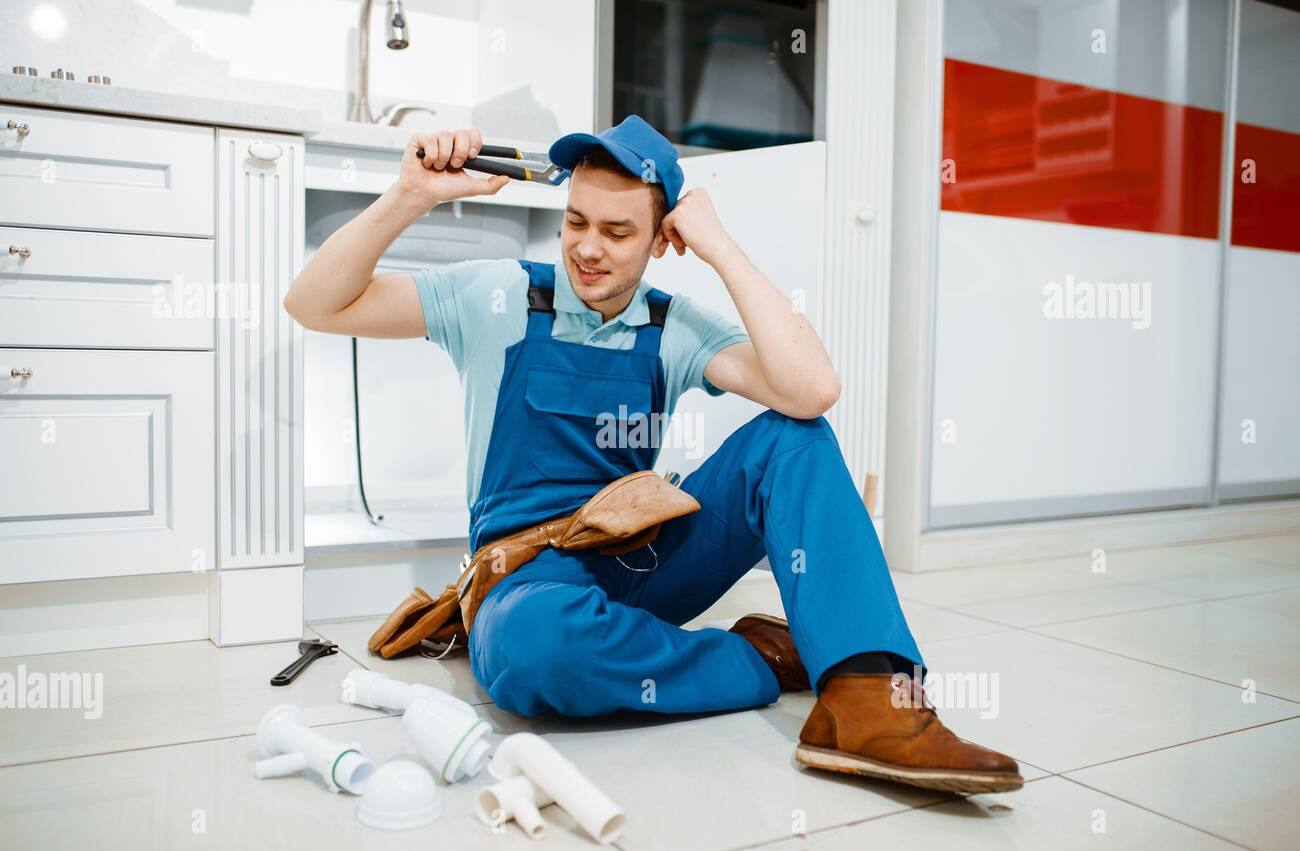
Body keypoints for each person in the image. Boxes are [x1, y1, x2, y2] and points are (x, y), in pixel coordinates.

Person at [284, 115, 1022, 794]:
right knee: (535, 647)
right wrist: (409, 196)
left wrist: (722, 248)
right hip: (529, 579)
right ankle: (761, 658)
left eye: (616, 230)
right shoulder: (498, 295)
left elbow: (812, 388)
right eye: (575, 221)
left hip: (642, 559)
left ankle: (867, 700)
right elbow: (315, 304)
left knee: (792, 436)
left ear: (661, 237)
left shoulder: (672, 325)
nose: (588, 248)